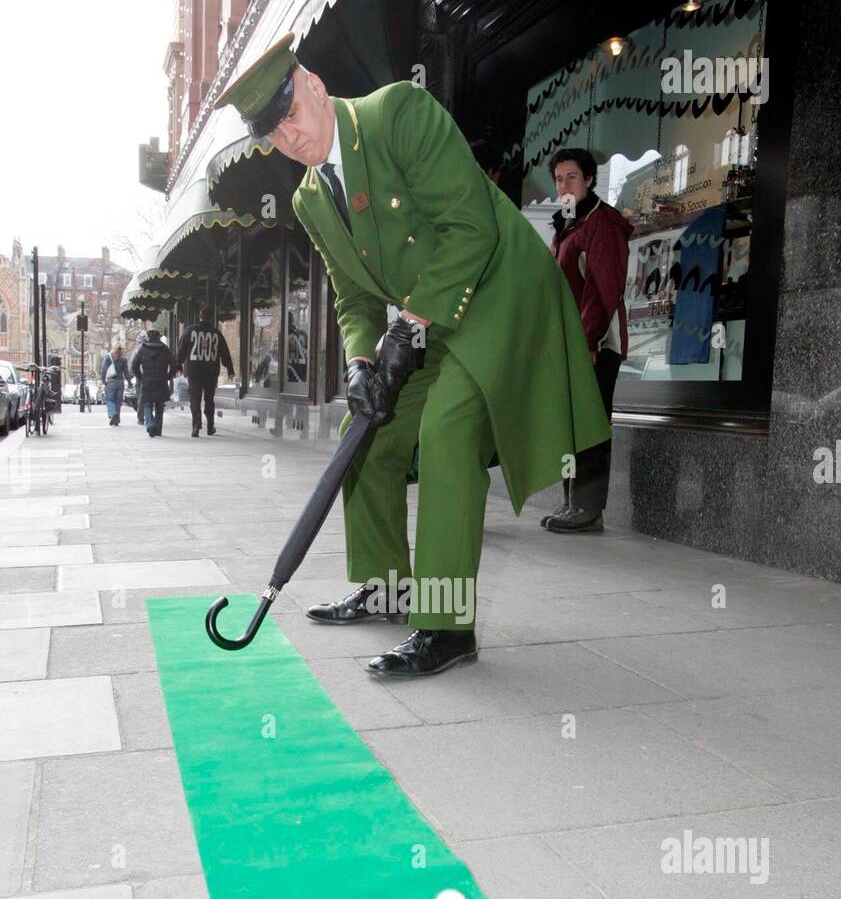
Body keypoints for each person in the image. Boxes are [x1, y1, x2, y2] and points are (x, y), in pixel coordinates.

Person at [214, 35, 608, 678]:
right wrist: (362, 362)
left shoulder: (396, 113)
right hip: (428, 325)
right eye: (274, 133)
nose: (291, 136)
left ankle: (446, 627)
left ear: (313, 85)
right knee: (364, 429)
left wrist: (409, 329)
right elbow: (353, 296)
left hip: (498, 296)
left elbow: (471, 225)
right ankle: (388, 586)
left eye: (291, 113)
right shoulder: (311, 198)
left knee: (448, 430)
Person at [541, 148, 632, 534]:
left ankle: (588, 509)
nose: (564, 185)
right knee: (570, 426)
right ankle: (571, 503)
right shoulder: (568, 224)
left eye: (572, 177)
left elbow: (603, 290)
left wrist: (586, 342)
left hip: (595, 345)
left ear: (591, 180)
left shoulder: (602, 224)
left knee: (591, 426)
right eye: (559, 178)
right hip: (571, 342)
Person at [174, 303, 235, 437]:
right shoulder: (217, 334)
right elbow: (225, 353)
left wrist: (178, 366)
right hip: (211, 372)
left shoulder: (189, 331)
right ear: (211, 319)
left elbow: (182, 351)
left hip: (194, 371)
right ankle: (210, 426)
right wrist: (230, 369)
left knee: (195, 398)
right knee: (209, 399)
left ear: (200, 317)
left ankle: (196, 425)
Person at [130, 328, 174, 438]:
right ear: (159, 337)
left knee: (147, 404)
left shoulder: (142, 349)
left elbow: (134, 365)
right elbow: (174, 364)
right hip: (161, 381)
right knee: (159, 405)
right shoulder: (165, 349)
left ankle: (150, 424)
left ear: (148, 337)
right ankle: (158, 429)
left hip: (147, 381)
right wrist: (168, 376)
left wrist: (140, 377)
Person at [100, 345, 131, 426]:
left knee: (109, 399)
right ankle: (116, 421)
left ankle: (113, 413)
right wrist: (129, 382)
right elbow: (126, 372)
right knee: (118, 401)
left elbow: (104, 370)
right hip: (121, 382)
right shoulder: (123, 359)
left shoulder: (108, 358)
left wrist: (103, 380)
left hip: (111, 381)